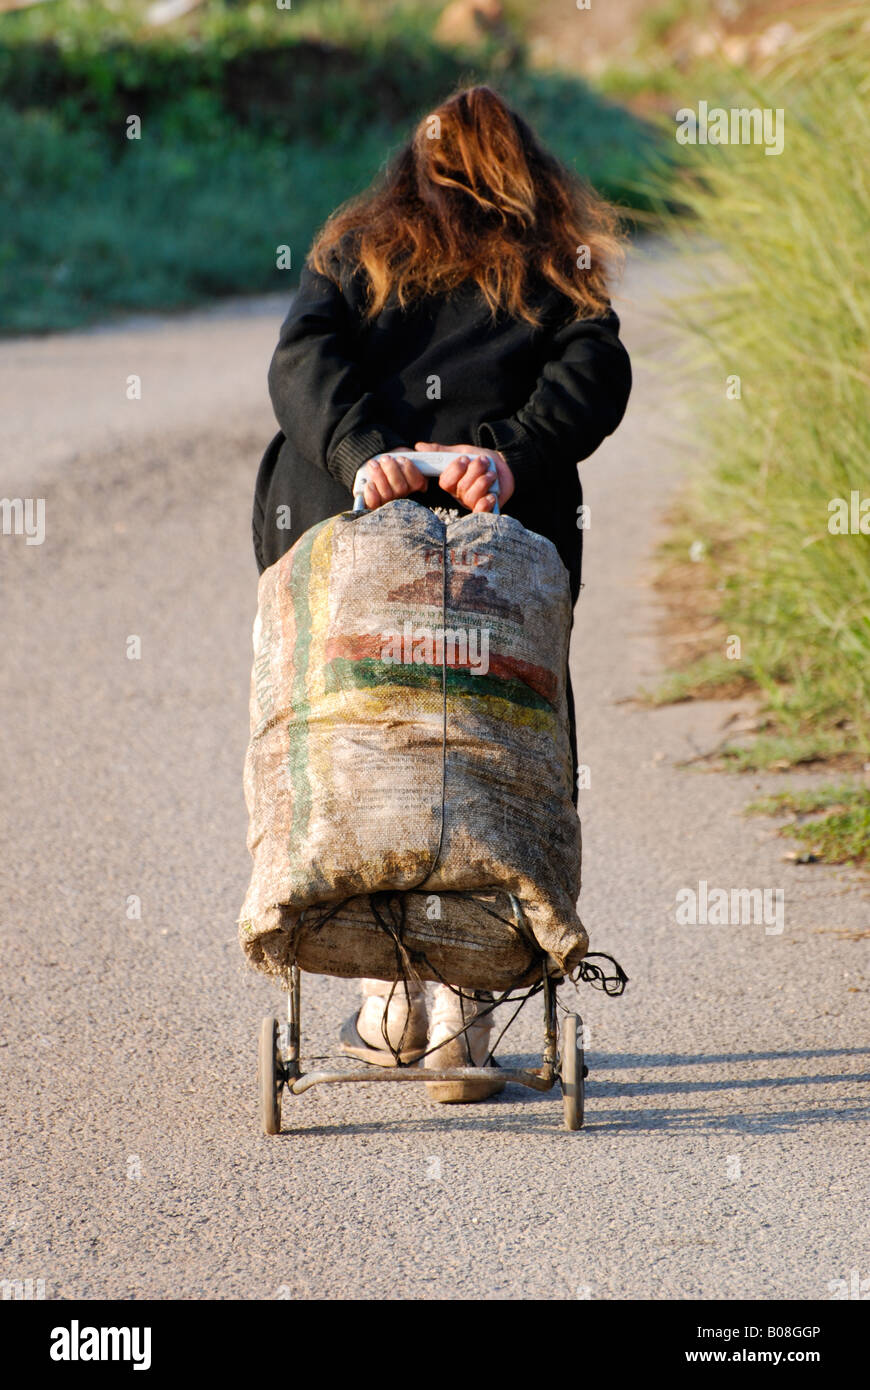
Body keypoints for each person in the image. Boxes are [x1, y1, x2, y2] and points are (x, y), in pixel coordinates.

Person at [252, 85, 632, 1102]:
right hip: (507, 537)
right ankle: (465, 1005)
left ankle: (387, 1000)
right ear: (534, 172)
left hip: (343, 530)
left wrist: (367, 456)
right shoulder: (560, 263)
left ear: (409, 169)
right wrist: (502, 460)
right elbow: (597, 372)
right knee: (498, 733)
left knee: (358, 729)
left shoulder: (357, 247)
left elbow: (301, 362)